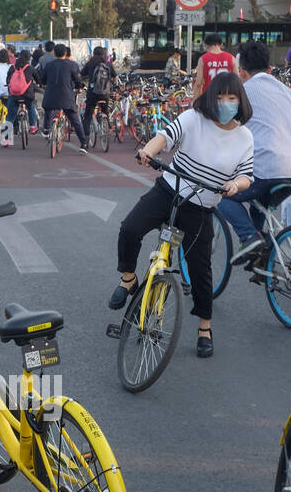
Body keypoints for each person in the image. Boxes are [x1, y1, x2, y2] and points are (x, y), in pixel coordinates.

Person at [109, 72, 254, 358]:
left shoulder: (245, 137)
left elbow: (247, 175)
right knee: (130, 229)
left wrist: (235, 185)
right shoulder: (193, 119)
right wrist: (147, 152)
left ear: (241, 101)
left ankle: (204, 326)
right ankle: (128, 280)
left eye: (232, 98)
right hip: (169, 190)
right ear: (211, 97)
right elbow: (164, 138)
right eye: (220, 97)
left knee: (200, 270)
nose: (225, 103)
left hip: (202, 207)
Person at [219, 40, 291, 271]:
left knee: (221, 194)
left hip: (267, 168)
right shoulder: (287, 92)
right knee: (258, 202)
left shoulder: (243, 91)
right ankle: (260, 256)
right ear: (269, 68)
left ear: (242, 72)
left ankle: (250, 237)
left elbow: (224, 128)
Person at [40, 44, 87, 150]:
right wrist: (79, 88)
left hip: (50, 96)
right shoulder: (72, 65)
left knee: (48, 109)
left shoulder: (49, 65)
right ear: (65, 53)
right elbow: (77, 80)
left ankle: (47, 128)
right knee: (75, 120)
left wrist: (44, 84)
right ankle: (83, 143)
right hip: (66, 96)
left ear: (54, 53)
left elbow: (42, 80)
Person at [81, 46, 116, 141]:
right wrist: (110, 84)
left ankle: (86, 139)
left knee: (88, 115)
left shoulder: (90, 63)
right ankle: (107, 124)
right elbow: (114, 76)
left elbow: (82, 74)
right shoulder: (108, 64)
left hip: (92, 92)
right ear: (103, 54)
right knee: (105, 110)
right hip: (105, 93)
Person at [6, 51, 39, 144]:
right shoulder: (30, 68)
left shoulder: (12, 67)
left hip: (14, 95)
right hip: (28, 95)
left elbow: (7, 80)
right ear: (28, 59)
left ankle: (6, 139)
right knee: (31, 106)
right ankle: (33, 126)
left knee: (10, 117)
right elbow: (38, 79)